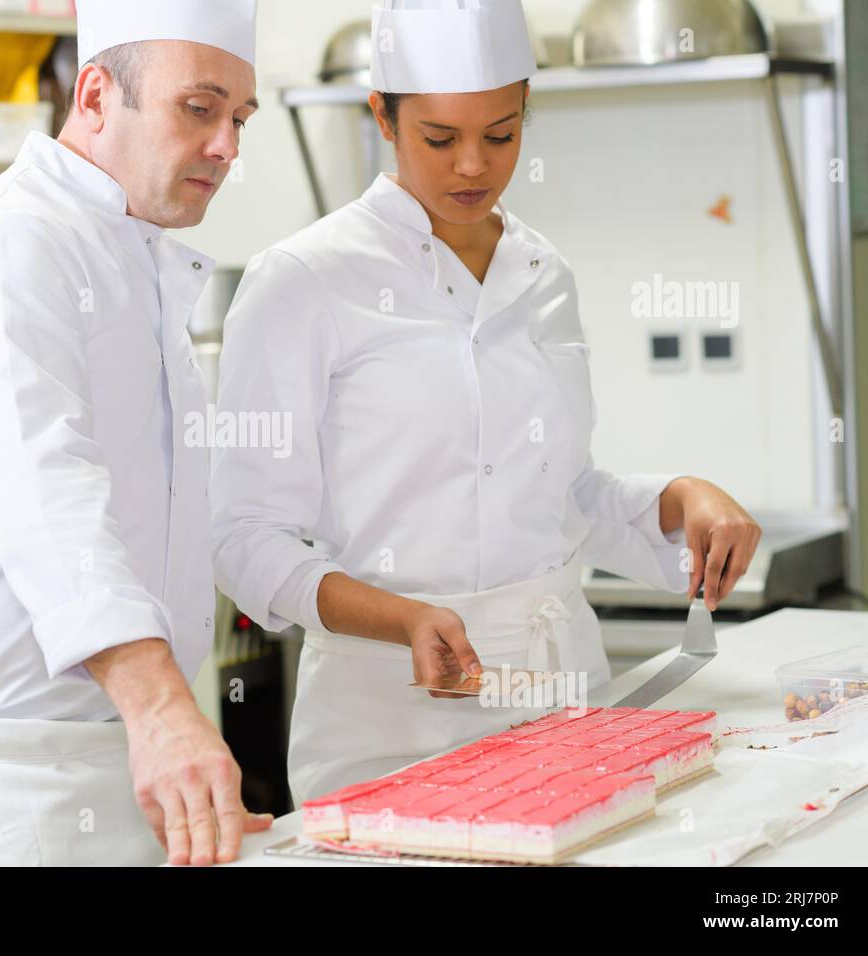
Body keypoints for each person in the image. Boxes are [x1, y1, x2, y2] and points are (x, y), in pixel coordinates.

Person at [210, 0, 761, 805]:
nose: (472, 165)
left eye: (500, 135)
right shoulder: (304, 281)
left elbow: (562, 496)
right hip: (389, 724)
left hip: (566, 703)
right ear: (383, 118)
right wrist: (401, 617)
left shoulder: (545, 274)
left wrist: (681, 500)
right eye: (440, 138)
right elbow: (244, 538)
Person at [0, 0, 272, 866]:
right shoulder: (12, 245)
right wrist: (164, 711)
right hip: (9, 782)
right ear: (95, 94)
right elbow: (46, 489)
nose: (227, 148)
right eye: (199, 109)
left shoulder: (130, 247)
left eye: (238, 119)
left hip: (122, 747)